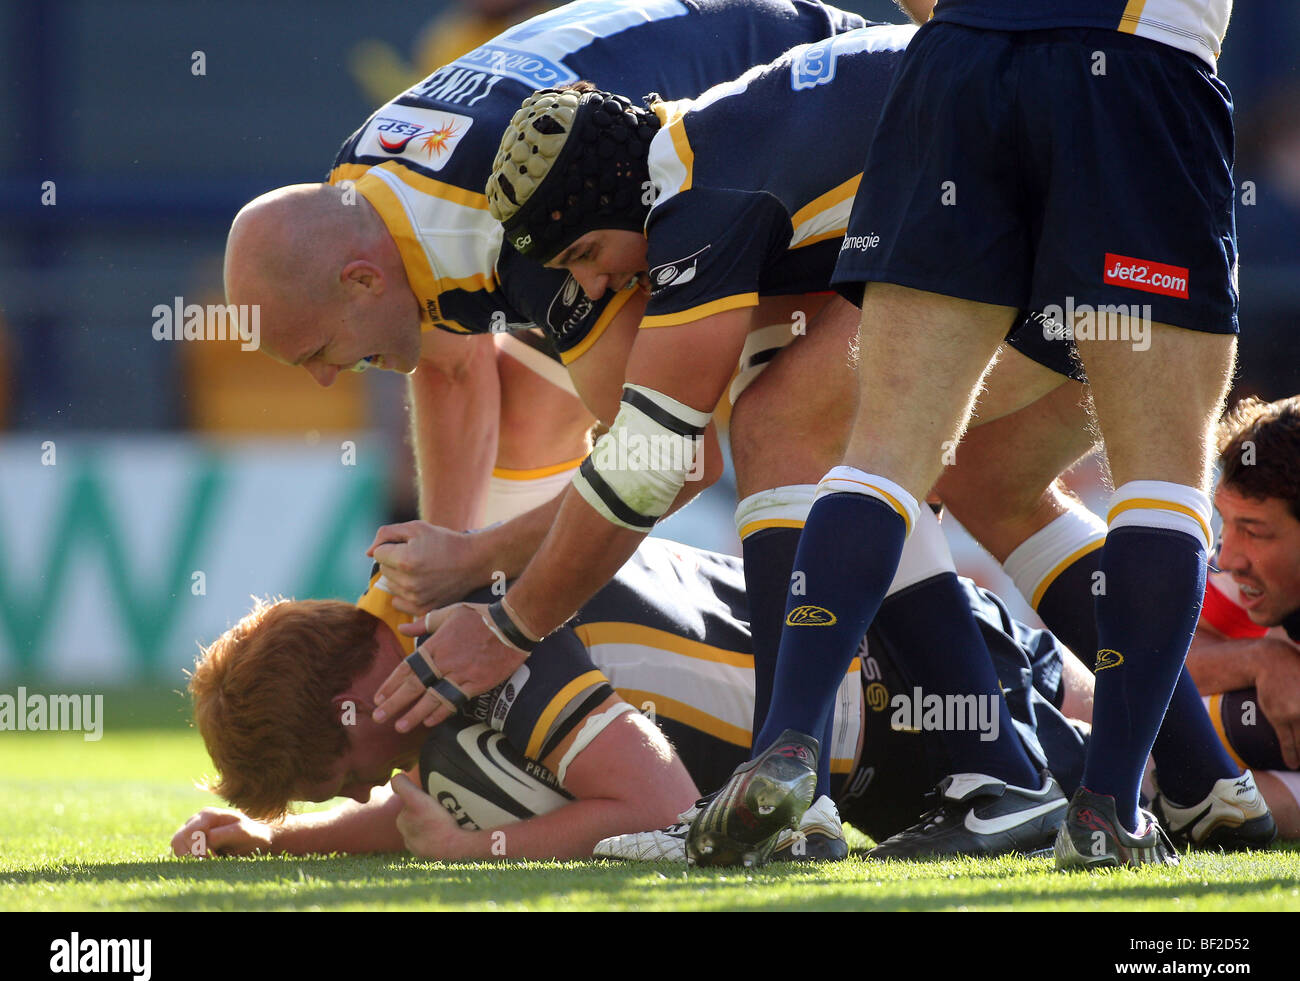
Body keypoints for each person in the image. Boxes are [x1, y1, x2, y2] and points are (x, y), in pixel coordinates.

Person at [369, 25, 1268, 863]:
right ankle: (1197, 777)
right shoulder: (728, 140)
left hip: (1020, 175)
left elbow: (659, 454)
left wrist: (510, 614)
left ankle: (897, 781)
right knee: (1002, 475)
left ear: (614, 200)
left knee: (781, 422)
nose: (597, 279)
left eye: (585, 254)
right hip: (1144, 138)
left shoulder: (694, 195)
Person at [701, 0, 1243, 870]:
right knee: (1163, 471)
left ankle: (789, 742)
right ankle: (1108, 809)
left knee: (882, 448)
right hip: (1139, 66)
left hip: (955, 65)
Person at [223, 0, 866, 537]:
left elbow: (671, 466)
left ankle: (846, 677)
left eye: (319, 351)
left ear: (361, 281)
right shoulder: (362, 185)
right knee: (536, 412)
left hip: (861, 125)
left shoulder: (517, 237)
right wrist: (434, 579)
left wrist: (481, 578)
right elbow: (451, 366)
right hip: (803, 92)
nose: (326, 378)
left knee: (775, 431)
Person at [172, 535, 1093, 862]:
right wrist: (278, 837)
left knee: (1204, 782)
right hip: (908, 700)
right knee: (1183, 751)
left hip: (916, 708)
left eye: (343, 773)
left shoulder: (486, 652)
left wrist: (479, 853)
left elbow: (663, 808)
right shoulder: (448, 647)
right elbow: (420, 816)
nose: (363, 790)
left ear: (356, 687)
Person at [1176, 396, 1300, 842]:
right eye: (1227, 525)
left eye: (1254, 531)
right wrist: (1260, 659)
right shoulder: (1230, 574)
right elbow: (1157, 659)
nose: (1227, 558)